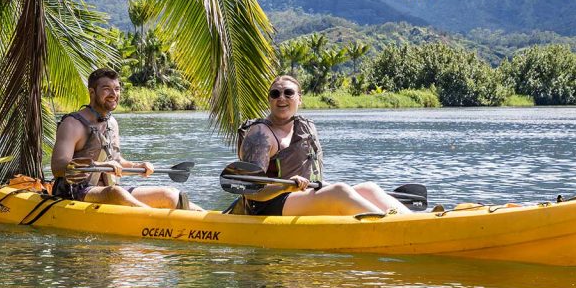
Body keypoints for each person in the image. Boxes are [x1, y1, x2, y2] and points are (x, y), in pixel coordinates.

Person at [234, 75, 411, 216]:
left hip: (299, 197)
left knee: (368, 188)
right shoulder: (260, 135)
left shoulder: (304, 127)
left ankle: (411, 220)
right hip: (266, 206)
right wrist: (285, 186)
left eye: (288, 93)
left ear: (299, 99)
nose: (281, 98)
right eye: (275, 94)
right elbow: (250, 191)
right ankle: (387, 225)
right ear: (269, 100)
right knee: (339, 190)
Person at [50, 68, 198, 209]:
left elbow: (117, 161)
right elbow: (58, 167)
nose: (113, 94)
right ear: (92, 92)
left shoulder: (112, 123)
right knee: (116, 192)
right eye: (107, 88)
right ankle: (157, 220)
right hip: (73, 192)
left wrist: (139, 166)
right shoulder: (72, 124)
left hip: (106, 191)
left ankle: (211, 220)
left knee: (169, 194)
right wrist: (100, 165)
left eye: (117, 89)